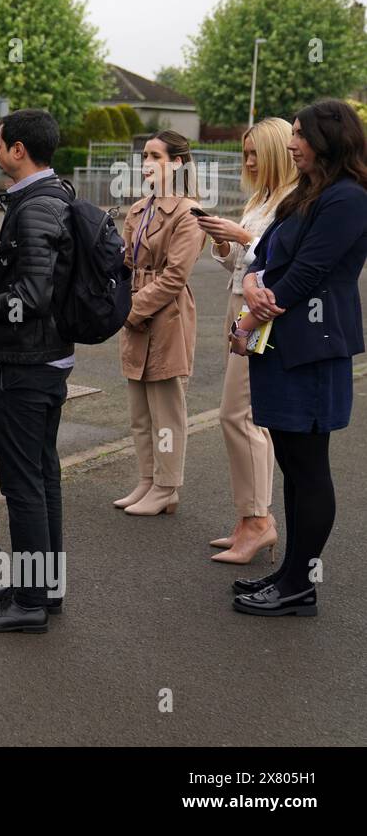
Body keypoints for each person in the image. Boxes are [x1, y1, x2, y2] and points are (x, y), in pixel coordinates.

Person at [230, 99, 367, 617]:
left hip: (313, 349)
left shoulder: (348, 199)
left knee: (309, 470)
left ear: (328, 139)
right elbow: (262, 254)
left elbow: (306, 273)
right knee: (292, 465)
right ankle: (289, 573)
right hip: (283, 344)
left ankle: (301, 587)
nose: (291, 144)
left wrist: (247, 320)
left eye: (300, 135)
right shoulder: (306, 194)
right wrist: (249, 282)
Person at [0, 109, 74, 633]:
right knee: (43, 477)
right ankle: (42, 585)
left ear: (19, 149)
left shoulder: (34, 207)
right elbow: (37, 279)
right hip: (47, 358)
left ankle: (28, 603)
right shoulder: (56, 197)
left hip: (29, 365)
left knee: (25, 485)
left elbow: (35, 297)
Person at [195, 119, 296, 564]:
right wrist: (224, 243)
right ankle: (248, 518)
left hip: (260, 312)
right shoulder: (263, 198)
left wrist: (242, 236)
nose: (249, 162)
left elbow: (280, 258)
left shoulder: (292, 200)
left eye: (255, 153)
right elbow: (243, 262)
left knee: (238, 415)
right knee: (244, 416)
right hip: (240, 304)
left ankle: (259, 521)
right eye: (245, 154)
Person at [114, 130, 205, 517]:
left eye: (156, 156)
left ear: (178, 163)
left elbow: (174, 276)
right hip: (135, 314)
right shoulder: (138, 210)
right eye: (145, 156)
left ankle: (168, 486)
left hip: (165, 318)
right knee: (140, 412)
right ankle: (149, 480)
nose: (147, 163)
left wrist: (132, 310)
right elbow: (125, 265)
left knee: (167, 413)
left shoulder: (188, 213)